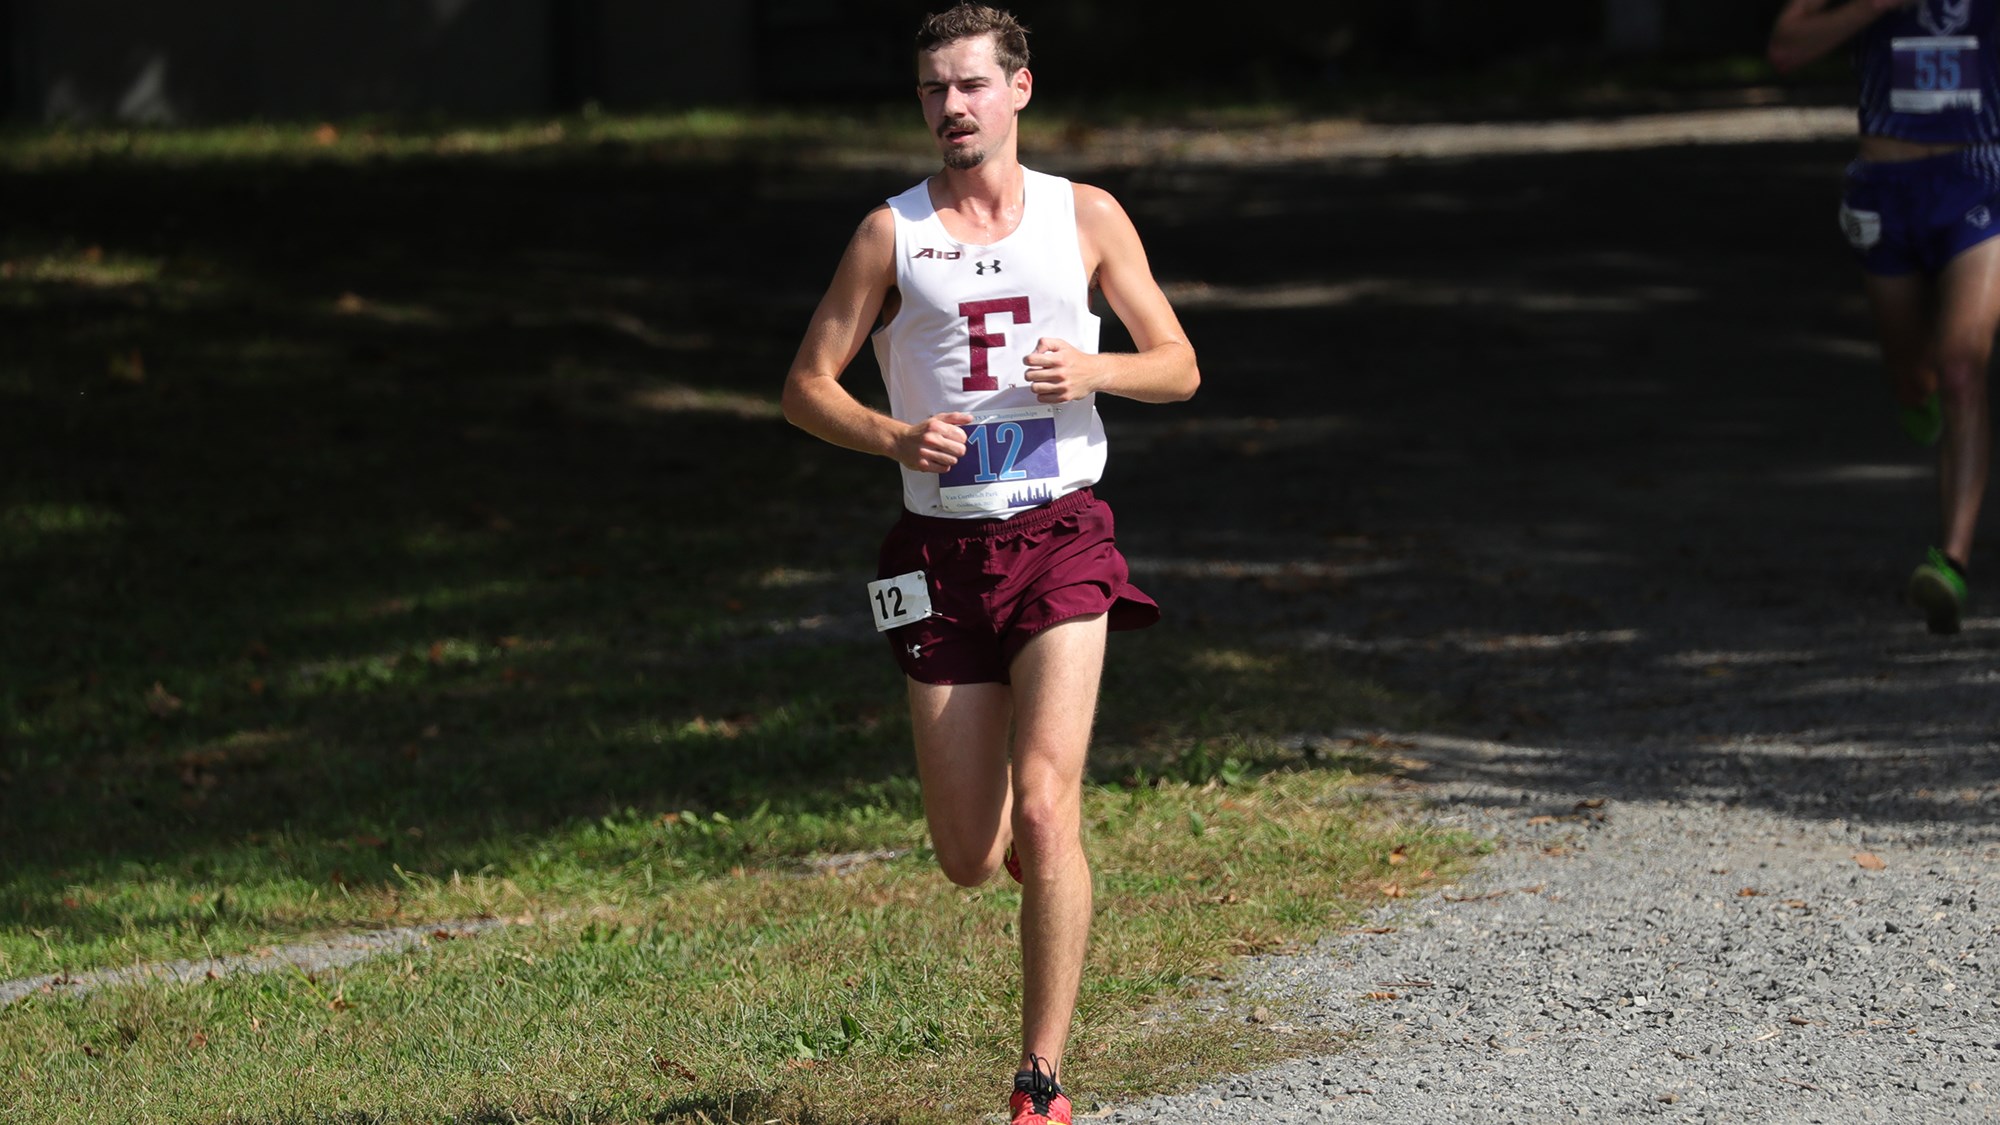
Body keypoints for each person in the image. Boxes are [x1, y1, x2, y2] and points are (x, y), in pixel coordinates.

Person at [781, 5, 1198, 1121]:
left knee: (1048, 804)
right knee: (970, 856)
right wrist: (890, 435)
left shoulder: (1086, 216)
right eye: (932, 90)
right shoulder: (889, 235)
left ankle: (1039, 1080)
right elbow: (805, 387)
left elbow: (1178, 366)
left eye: (970, 85)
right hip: (936, 552)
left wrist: (1095, 372)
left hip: (1062, 535)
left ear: (1018, 89)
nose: (951, 108)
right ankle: (1017, 853)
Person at [1771, 0, 2000, 634]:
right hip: (1885, 189)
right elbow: (1787, 47)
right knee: (1917, 381)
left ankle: (1949, 562)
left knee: (1962, 369)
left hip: (1981, 178)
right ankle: (1916, 392)